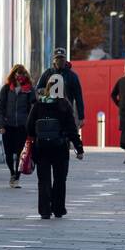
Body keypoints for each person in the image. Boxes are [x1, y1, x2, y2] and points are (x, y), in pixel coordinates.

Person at [25, 85, 84, 219]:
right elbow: (72, 129)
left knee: (43, 180)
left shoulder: (38, 105)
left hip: (41, 148)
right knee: (60, 180)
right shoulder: (64, 105)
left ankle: (45, 210)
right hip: (60, 148)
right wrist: (79, 148)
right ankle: (58, 209)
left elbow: (29, 127)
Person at [0, 64, 36, 188]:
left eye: (22, 74)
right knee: (8, 154)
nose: (19, 77)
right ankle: (12, 173)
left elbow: (34, 108)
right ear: (13, 75)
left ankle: (16, 177)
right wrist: (1, 125)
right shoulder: (7, 89)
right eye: (17, 74)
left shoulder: (29, 90)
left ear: (25, 75)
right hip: (8, 126)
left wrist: (31, 126)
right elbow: (0, 107)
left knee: (20, 153)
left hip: (23, 127)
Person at [36, 48, 85, 129]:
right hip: (50, 113)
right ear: (54, 60)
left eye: (62, 58)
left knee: (67, 137)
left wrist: (81, 117)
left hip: (67, 112)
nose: (60, 60)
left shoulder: (72, 76)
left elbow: (78, 97)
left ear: (65, 60)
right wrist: (47, 92)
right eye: (57, 58)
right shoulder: (47, 73)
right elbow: (38, 90)